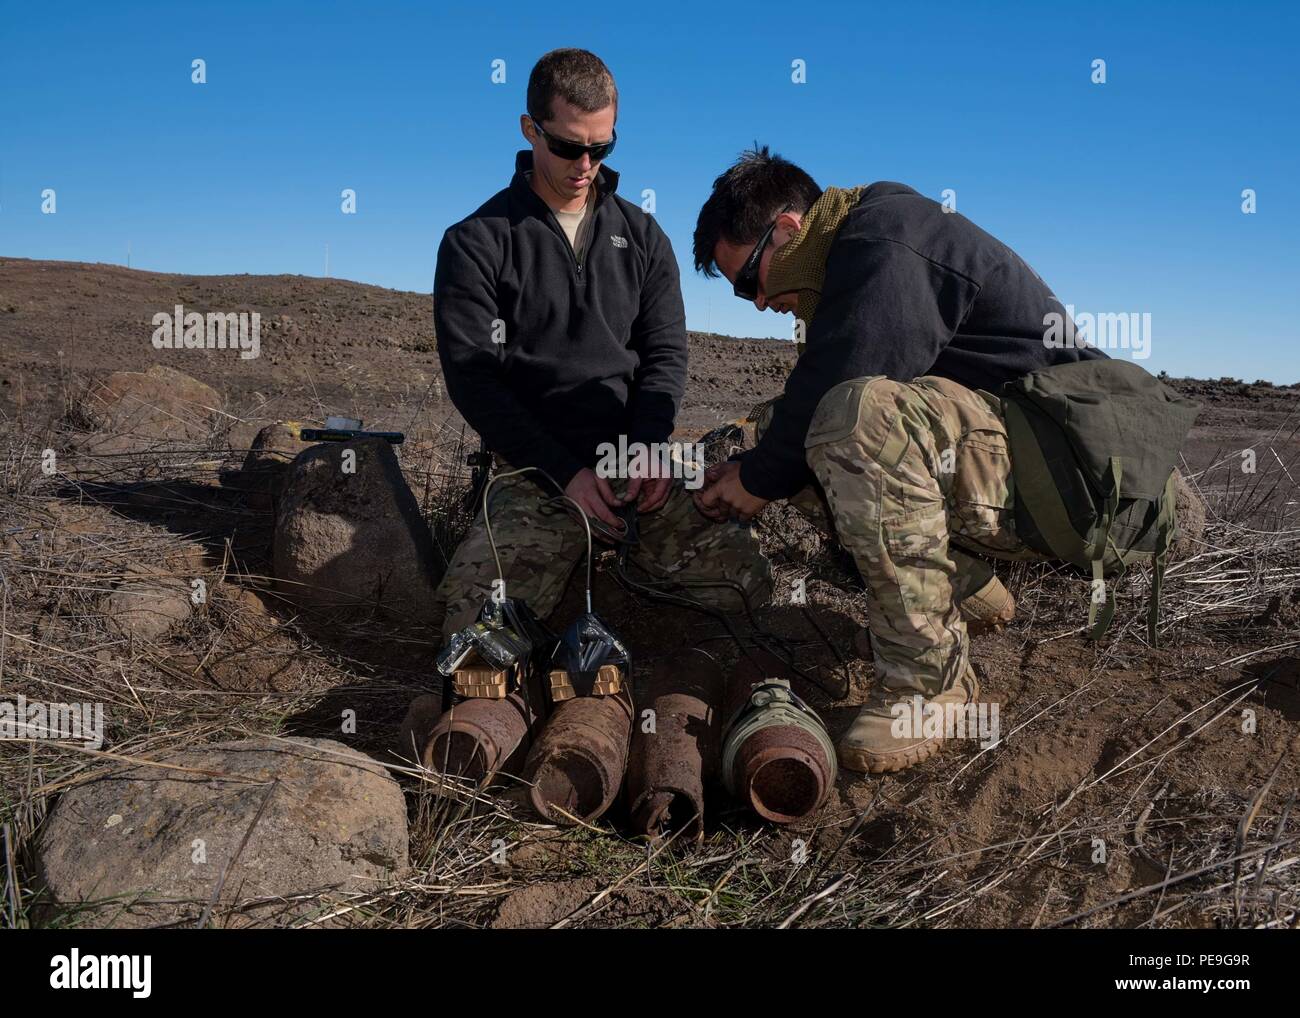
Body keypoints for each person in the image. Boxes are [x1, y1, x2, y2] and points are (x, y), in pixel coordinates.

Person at [691, 146, 1106, 774]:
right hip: (1014, 468)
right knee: (789, 424)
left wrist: (755, 478)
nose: (754, 302)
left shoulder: (889, 240)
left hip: (1072, 485)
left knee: (854, 416)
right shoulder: (858, 247)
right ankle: (967, 586)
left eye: (748, 279)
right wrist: (756, 465)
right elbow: (808, 403)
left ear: (787, 230)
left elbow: (849, 388)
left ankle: (929, 679)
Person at [431, 50, 771, 643]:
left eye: (603, 147)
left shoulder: (642, 235)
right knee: (475, 633)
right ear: (529, 129)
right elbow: (472, 379)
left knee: (748, 591)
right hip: (535, 473)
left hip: (635, 465)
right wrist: (564, 474)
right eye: (567, 146)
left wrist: (646, 447)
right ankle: (575, 554)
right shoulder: (476, 242)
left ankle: (629, 560)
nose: (585, 164)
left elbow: (665, 355)